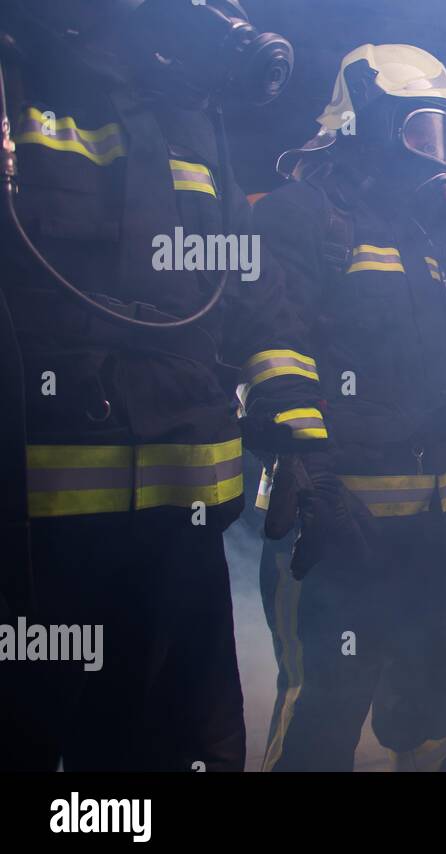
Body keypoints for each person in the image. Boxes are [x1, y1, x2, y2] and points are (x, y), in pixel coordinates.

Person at [0, 0, 314, 771]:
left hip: (184, 532)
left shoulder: (189, 121)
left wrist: (301, 435)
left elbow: (251, 294)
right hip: (43, 549)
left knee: (190, 752)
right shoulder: (20, 84)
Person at [252, 44, 446, 772]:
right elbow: (271, 341)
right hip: (331, 515)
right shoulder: (300, 215)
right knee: (328, 697)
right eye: (420, 131)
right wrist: (310, 464)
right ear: (366, 126)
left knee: (441, 685)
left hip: (427, 523)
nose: (434, 155)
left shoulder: (425, 238)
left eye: (444, 135)